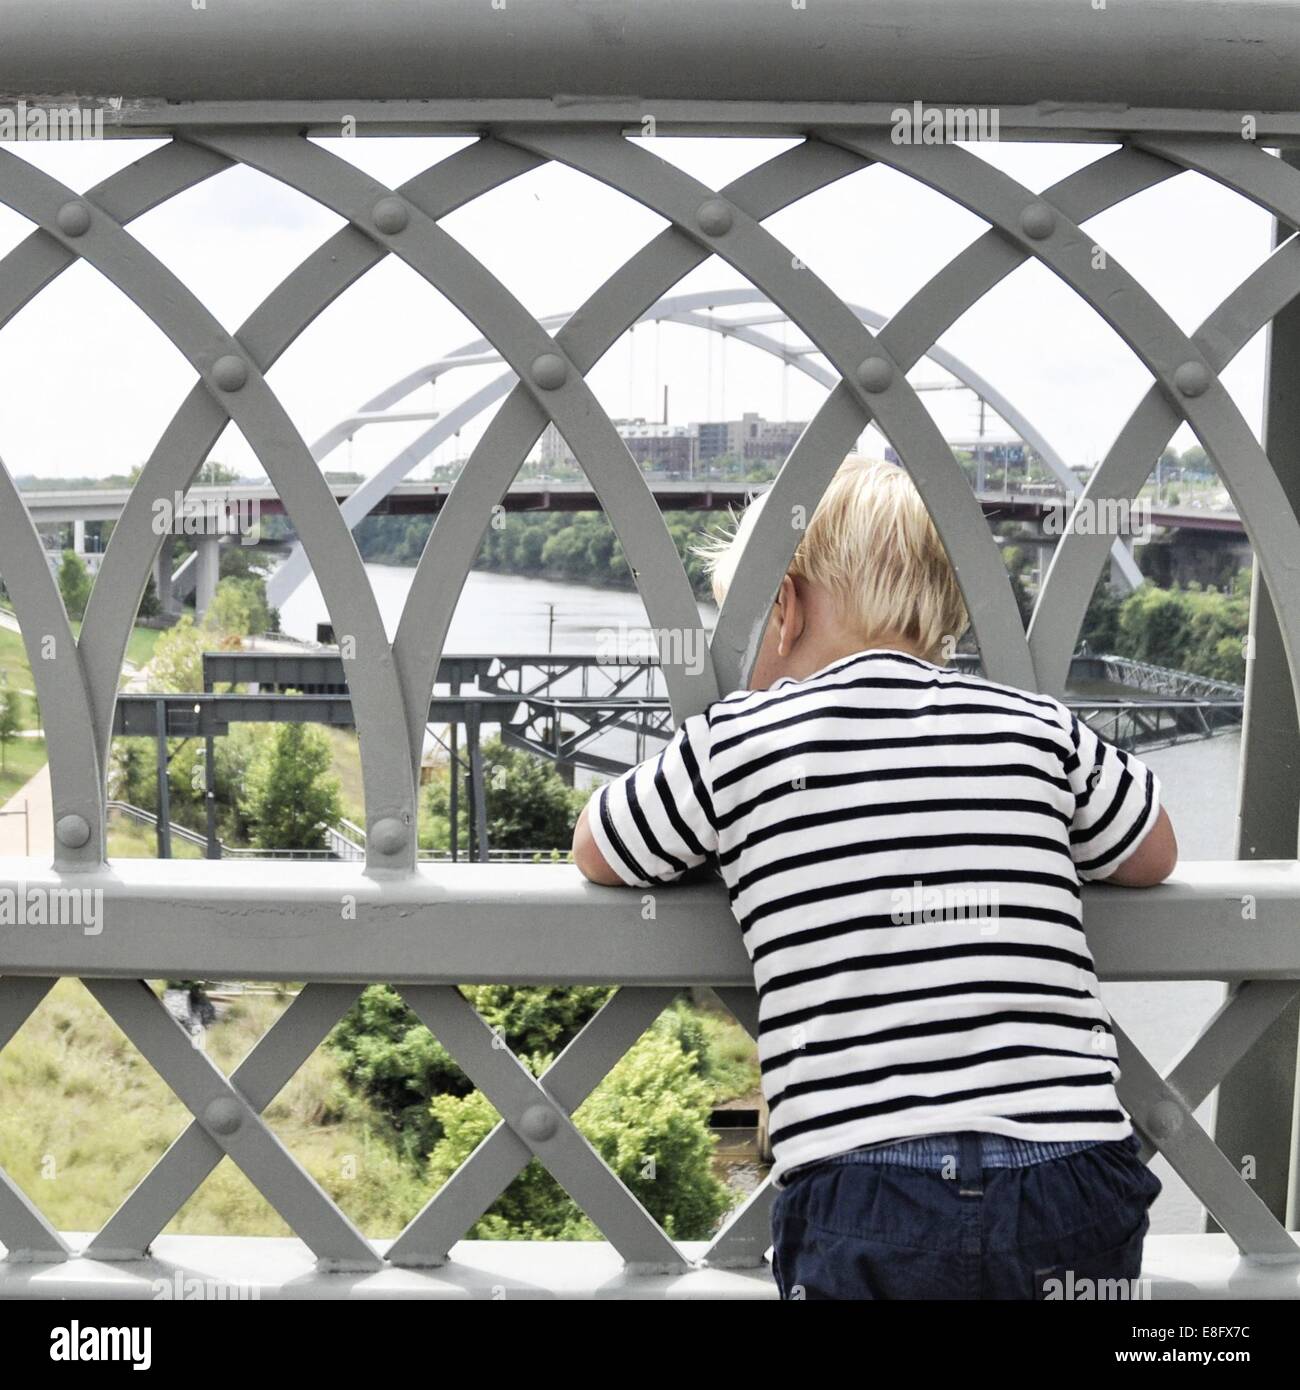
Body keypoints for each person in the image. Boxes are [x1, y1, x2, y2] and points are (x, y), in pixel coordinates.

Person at [571, 455, 1173, 1299]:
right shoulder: (1035, 724)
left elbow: (600, 847)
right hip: (1071, 1173)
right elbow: (1151, 852)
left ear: (780, 609)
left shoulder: (738, 741)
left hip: (864, 1181)